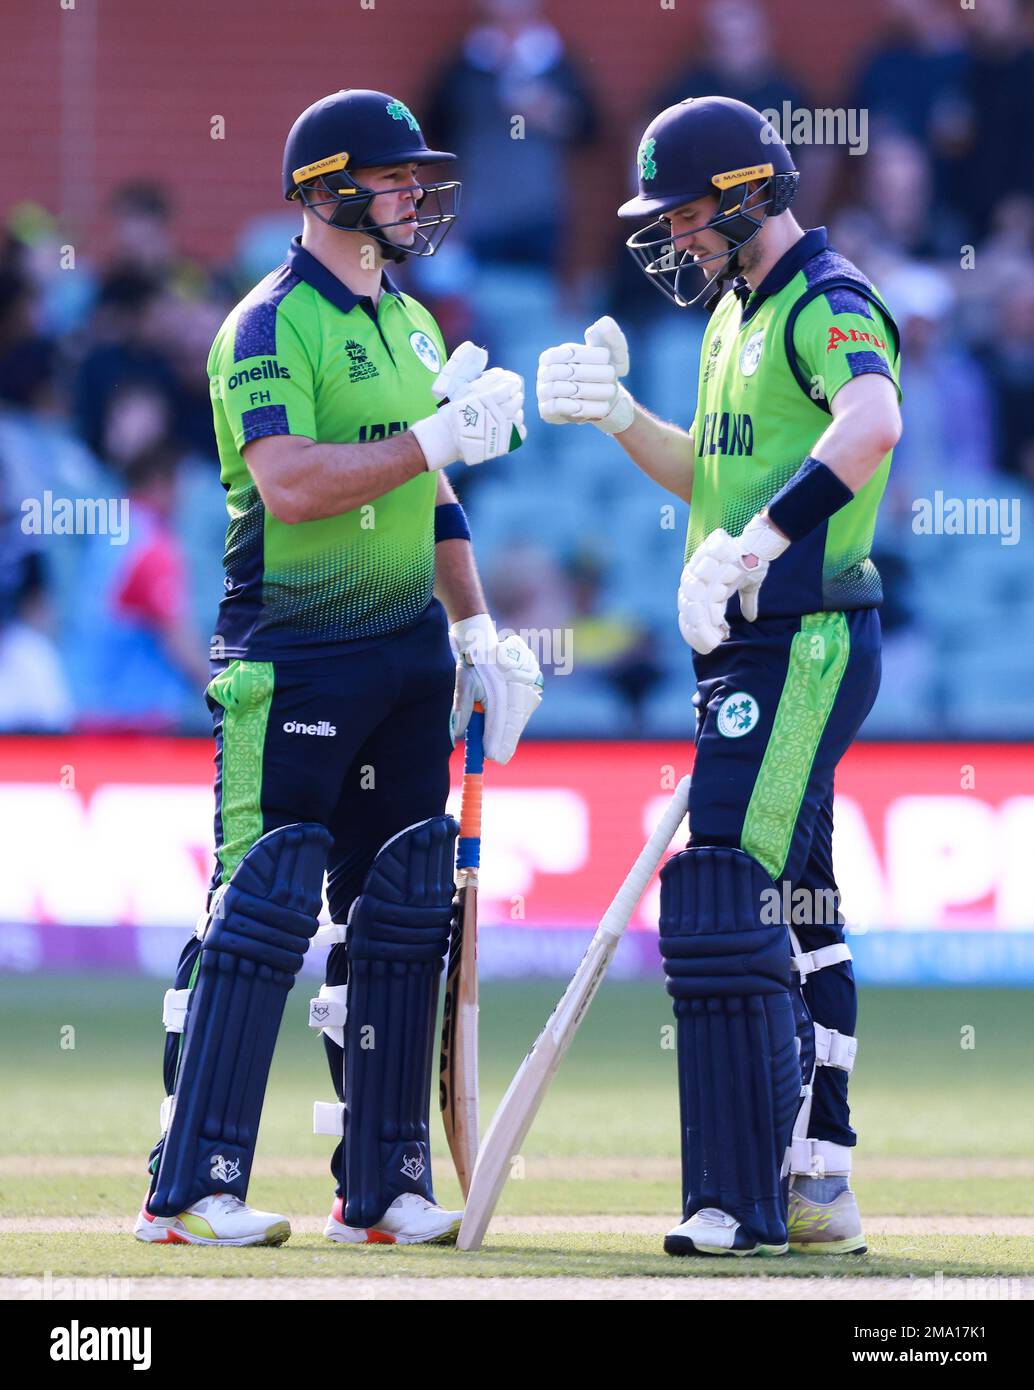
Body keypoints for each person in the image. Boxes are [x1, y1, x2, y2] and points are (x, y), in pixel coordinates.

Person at [135, 89, 542, 1249]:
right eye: (397, 177)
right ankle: (191, 1183)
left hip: (407, 655)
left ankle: (382, 1183)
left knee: (402, 911)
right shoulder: (265, 326)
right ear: (327, 191)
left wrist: (476, 631)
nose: (416, 195)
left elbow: (435, 492)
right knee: (261, 900)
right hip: (295, 653)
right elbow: (291, 482)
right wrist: (433, 436)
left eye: (420, 178)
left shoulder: (411, 324)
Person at [537, 97, 902, 1257]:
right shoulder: (731, 316)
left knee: (722, 892)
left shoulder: (825, 298)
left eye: (687, 214)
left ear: (748, 193)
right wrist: (619, 420)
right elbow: (709, 474)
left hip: (801, 637)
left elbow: (871, 421)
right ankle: (814, 1182)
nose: (674, 237)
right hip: (746, 644)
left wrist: (758, 548)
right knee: (795, 904)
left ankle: (739, 1191)